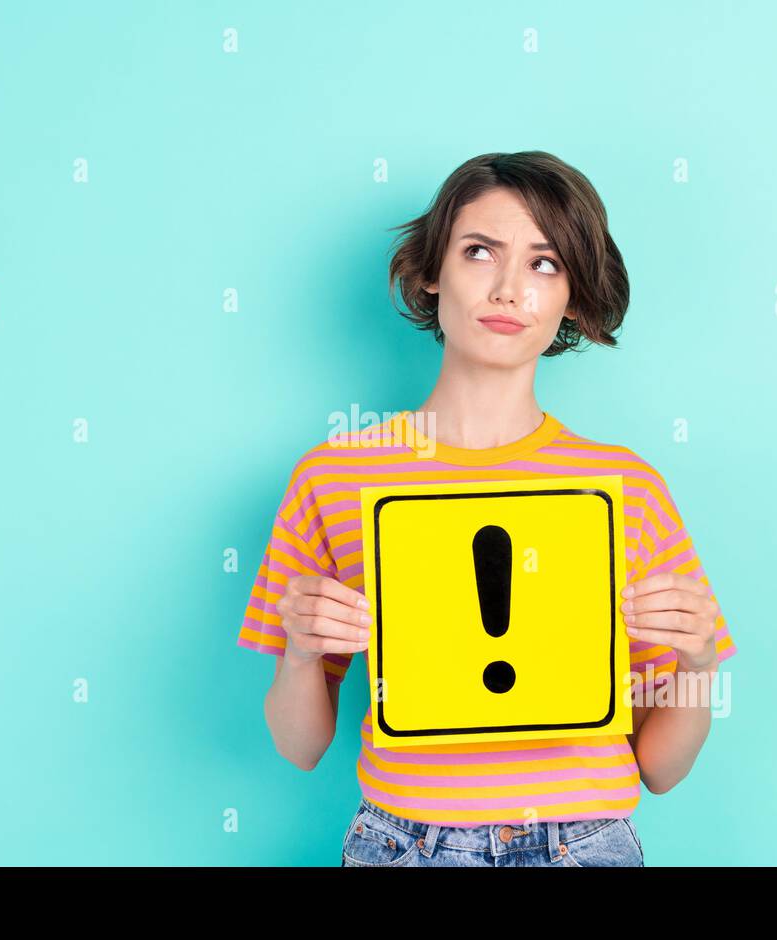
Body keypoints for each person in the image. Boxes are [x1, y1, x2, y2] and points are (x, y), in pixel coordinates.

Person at [236, 151, 738, 867]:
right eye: (480, 252)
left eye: (545, 264)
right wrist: (301, 652)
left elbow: (661, 767)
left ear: (573, 294)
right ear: (432, 270)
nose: (509, 290)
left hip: (586, 844)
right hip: (404, 842)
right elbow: (300, 745)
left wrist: (698, 663)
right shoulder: (334, 478)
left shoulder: (627, 487)